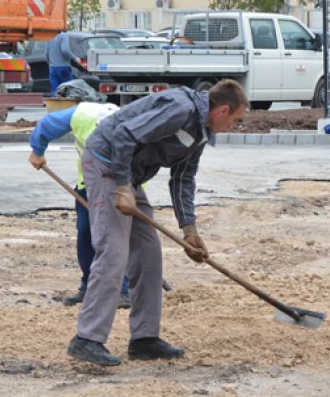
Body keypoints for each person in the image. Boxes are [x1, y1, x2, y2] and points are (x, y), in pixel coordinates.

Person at [67, 79, 248, 366]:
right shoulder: (181, 109)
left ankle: (144, 338)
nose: (232, 126)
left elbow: (183, 178)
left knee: (148, 254)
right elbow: (124, 134)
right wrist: (123, 187)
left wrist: (189, 229)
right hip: (106, 164)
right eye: (235, 120)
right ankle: (87, 338)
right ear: (223, 109)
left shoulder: (200, 131)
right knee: (114, 251)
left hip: (129, 174)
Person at [27, 101, 131, 308]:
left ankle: (122, 290)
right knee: (86, 233)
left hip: (123, 188)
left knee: (116, 236)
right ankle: (88, 288)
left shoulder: (132, 132)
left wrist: (128, 195)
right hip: (88, 185)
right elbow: (46, 125)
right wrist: (37, 151)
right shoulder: (82, 115)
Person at [45, 31, 73, 96]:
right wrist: (75, 58)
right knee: (67, 91)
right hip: (63, 67)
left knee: (55, 91)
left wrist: (50, 63)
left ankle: (55, 101)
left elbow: (46, 54)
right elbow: (65, 51)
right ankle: (66, 102)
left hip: (53, 68)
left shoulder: (49, 36)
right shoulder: (64, 35)